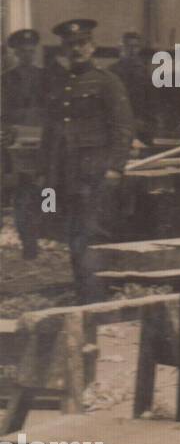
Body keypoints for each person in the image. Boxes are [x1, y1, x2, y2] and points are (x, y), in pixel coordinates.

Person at [40, 19, 133, 301]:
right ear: (64, 49)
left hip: (97, 173)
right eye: (71, 45)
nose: (77, 49)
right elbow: (51, 131)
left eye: (82, 43)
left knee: (93, 233)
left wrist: (115, 168)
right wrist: (45, 172)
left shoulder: (107, 82)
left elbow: (123, 128)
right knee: (73, 235)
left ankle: (95, 299)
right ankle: (83, 293)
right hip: (67, 174)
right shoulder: (60, 84)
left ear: (92, 47)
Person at [2, 29, 47, 259]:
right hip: (17, 144)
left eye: (31, 51)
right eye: (23, 52)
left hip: (43, 143)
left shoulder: (46, 76)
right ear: (16, 52)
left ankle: (43, 234)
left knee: (44, 191)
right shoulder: (7, 79)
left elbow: (54, 110)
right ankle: (28, 242)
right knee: (22, 193)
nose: (27, 55)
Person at [109, 31, 153, 143]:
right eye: (129, 46)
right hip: (119, 123)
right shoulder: (112, 71)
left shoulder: (144, 72)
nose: (133, 50)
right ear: (121, 47)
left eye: (136, 46)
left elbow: (150, 100)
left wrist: (144, 120)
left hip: (141, 124)